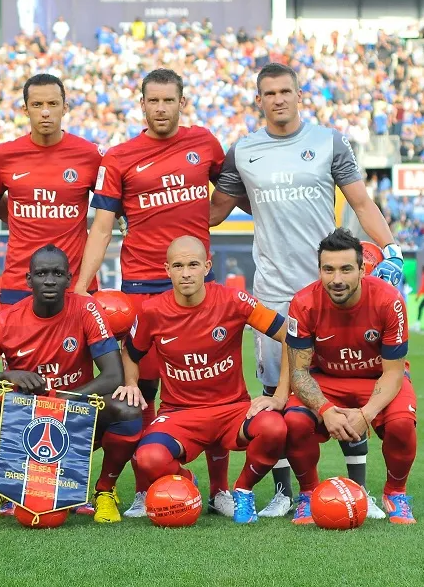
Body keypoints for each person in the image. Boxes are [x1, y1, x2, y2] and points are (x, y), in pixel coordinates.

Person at [210, 62, 402, 519]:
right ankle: (286, 492)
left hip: (331, 288)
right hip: (274, 290)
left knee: (346, 383)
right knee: (275, 393)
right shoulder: (243, 152)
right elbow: (215, 212)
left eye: (285, 91)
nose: (278, 99)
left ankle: (357, 491)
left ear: (299, 96)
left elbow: (360, 201)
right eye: (269, 93)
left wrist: (391, 248)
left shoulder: (328, 141)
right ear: (258, 100)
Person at [74, 68, 234, 518]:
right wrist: (82, 286)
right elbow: (101, 228)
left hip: (195, 287)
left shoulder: (205, 143)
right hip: (142, 288)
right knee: (140, 386)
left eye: (169, 100)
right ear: (141, 104)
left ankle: (220, 489)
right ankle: (147, 486)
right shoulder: (120, 157)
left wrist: (206, 217)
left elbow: (229, 192)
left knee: (207, 386)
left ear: (182, 102)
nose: (161, 108)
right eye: (153, 101)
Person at [0, 245, 142, 523]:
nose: (49, 280)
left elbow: (113, 376)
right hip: (22, 422)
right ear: (29, 280)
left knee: (127, 410)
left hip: (76, 418)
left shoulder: (87, 309)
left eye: (57, 273)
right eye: (41, 274)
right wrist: (6, 376)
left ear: (69, 279)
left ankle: (104, 491)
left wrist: (63, 401)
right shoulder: (5, 321)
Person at [123, 236, 289, 523]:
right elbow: (130, 352)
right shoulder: (152, 311)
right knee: (149, 458)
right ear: (167, 270)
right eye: (178, 266)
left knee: (274, 428)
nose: (186, 273)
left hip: (232, 410)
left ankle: (242, 491)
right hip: (180, 413)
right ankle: (189, 483)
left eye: (193, 265)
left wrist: (280, 395)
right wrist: (130, 383)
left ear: (207, 267)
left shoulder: (233, 300)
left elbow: (290, 336)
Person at [284, 228, 416, 525]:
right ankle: (308, 493)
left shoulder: (389, 300)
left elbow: (394, 373)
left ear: (362, 270)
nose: (337, 279)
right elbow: (299, 372)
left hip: (377, 379)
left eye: (346, 269)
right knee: (294, 421)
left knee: (401, 424)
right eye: (328, 269)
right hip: (327, 380)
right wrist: (325, 410)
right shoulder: (303, 302)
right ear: (319, 270)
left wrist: (365, 414)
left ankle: (395, 493)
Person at [0, 73, 101, 306]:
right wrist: (19, 219)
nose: (45, 112)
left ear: (65, 108)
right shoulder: (4, 155)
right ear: (25, 110)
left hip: (75, 285)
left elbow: (111, 211)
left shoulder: (90, 155)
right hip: (19, 283)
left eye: (53, 104)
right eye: (37, 105)